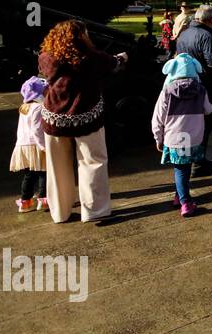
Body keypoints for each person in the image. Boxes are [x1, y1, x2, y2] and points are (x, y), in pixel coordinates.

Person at [37, 20, 126, 223]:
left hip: (54, 117)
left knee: (57, 166)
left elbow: (46, 74)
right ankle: (94, 210)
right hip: (86, 117)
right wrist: (122, 57)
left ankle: (60, 212)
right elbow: (114, 64)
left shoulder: (46, 57)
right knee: (93, 162)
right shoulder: (91, 57)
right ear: (81, 36)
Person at [151, 53, 212, 217]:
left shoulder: (167, 91)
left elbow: (158, 117)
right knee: (185, 168)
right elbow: (208, 110)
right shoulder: (200, 89)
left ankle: (184, 202)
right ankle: (182, 198)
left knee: (181, 169)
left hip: (177, 136)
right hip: (194, 136)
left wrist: (158, 137)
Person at [175, 5, 212, 176]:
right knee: (206, 124)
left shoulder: (185, 33)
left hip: (188, 84)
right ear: (211, 19)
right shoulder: (206, 35)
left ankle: (197, 161)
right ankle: (198, 162)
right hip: (205, 86)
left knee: (196, 124)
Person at [11, 76, 48, 213]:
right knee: (44, 172)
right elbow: (37, 129)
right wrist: (44, 146)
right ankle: (44, 200)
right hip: (36, 145)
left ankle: (25, 202)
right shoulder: (39, 108)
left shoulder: (24, 108)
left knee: (29, 174)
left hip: (23, 145)